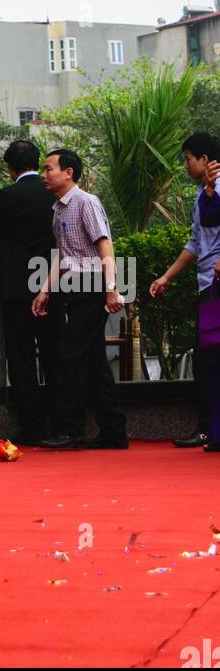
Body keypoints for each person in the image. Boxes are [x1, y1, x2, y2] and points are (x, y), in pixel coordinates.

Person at [31, 148, 128, 449]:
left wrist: (111, 288)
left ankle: (71, 430)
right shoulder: (58, 208)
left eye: (49, 169)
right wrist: (45, 289)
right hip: (74, 287)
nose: (44, 175)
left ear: (68, 172)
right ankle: (113, 432)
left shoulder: (87, 203)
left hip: (93, 287)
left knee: (69, 355)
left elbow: (105, 247)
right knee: (95, 361)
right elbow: (63, 255)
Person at [0, 138, 59, 445]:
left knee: (21, 359)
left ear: (9, 168)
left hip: (16, 291)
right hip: (51, 283)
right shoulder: (54, 194)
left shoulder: (6, 197)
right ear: (37, 164)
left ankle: (33, 428)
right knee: (53, 355)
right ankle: (61, 425)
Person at [149, 132, 220, 450]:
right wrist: (166, 277)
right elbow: (196, 243)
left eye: (188, 158)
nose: (185, 165)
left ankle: (210, 429)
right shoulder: (202, 193)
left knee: (211, 360)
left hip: (216, 286)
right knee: (208, 359)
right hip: (208, 285)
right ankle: (209, 428)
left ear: (205, 159)